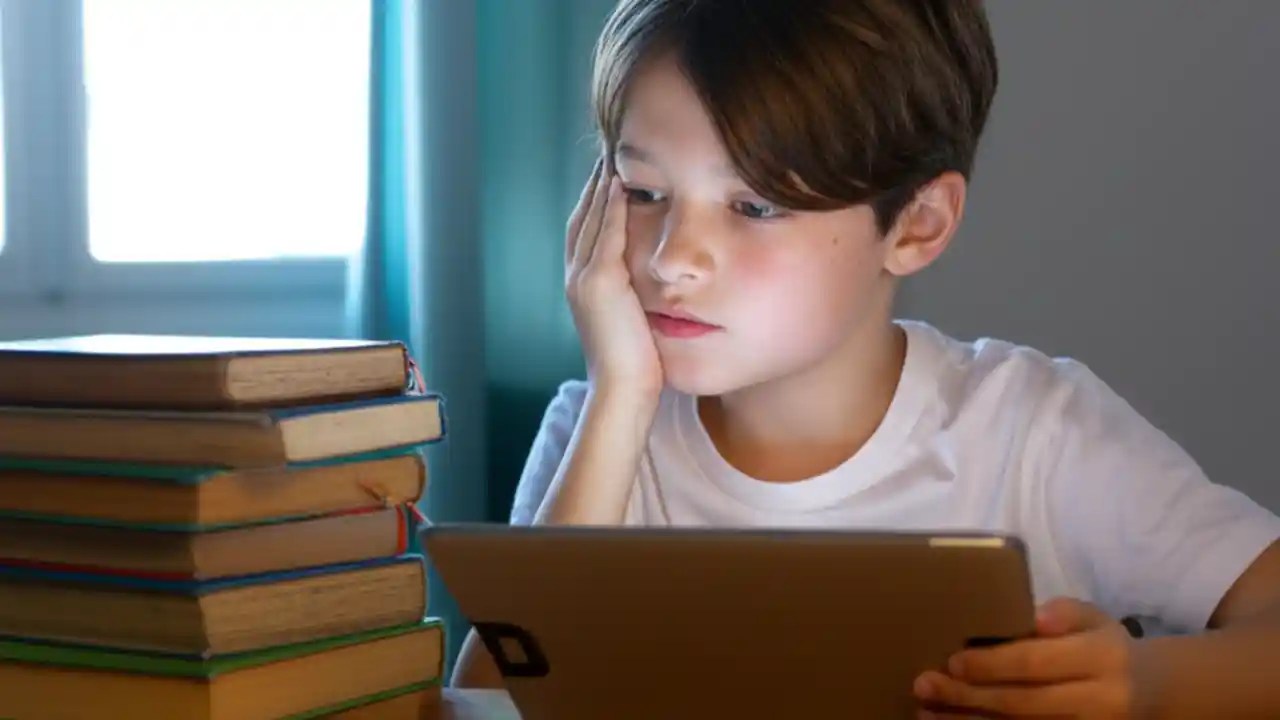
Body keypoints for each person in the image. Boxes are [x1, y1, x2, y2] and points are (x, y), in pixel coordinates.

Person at [452, 1, 1280, 715]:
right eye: (643, 193)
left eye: (755, 203)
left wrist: (1146, 686)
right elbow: (489, 702)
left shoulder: (1033, 430)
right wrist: (621, 399)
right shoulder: (597, 429)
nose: (673, 258)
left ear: (916, 224)